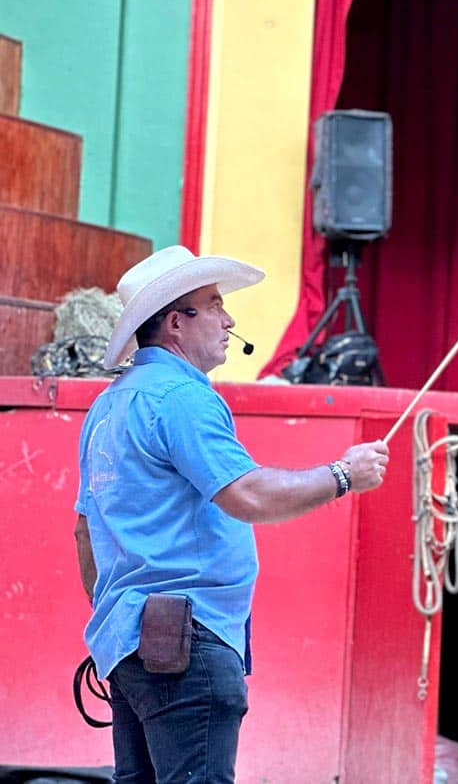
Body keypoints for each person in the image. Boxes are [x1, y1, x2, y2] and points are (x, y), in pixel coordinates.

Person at [72, 245, 390, 783]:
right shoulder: (181, 396)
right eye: (215, 304)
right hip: (185, 641)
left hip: (127, 644)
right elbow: (248, 495)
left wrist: (119, 616)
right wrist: (343, 475)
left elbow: (85, 531)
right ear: (176, 321)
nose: (229, 318)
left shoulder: (108, 405)